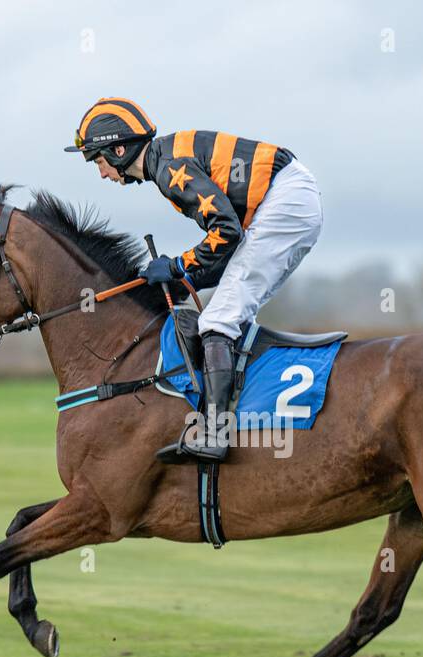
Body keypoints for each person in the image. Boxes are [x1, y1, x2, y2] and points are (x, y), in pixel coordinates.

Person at [65, 97, 323, 463]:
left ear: (119, 149)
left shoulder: (170, 170)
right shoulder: (165, 160)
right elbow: (227, 248)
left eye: (100, 161)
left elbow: (226, 232)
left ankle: (216, 433)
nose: (102, 174)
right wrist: (184, 278)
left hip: (284, 202)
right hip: (288, 198)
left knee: (218, 319)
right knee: (229, 310)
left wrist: (177, 267)